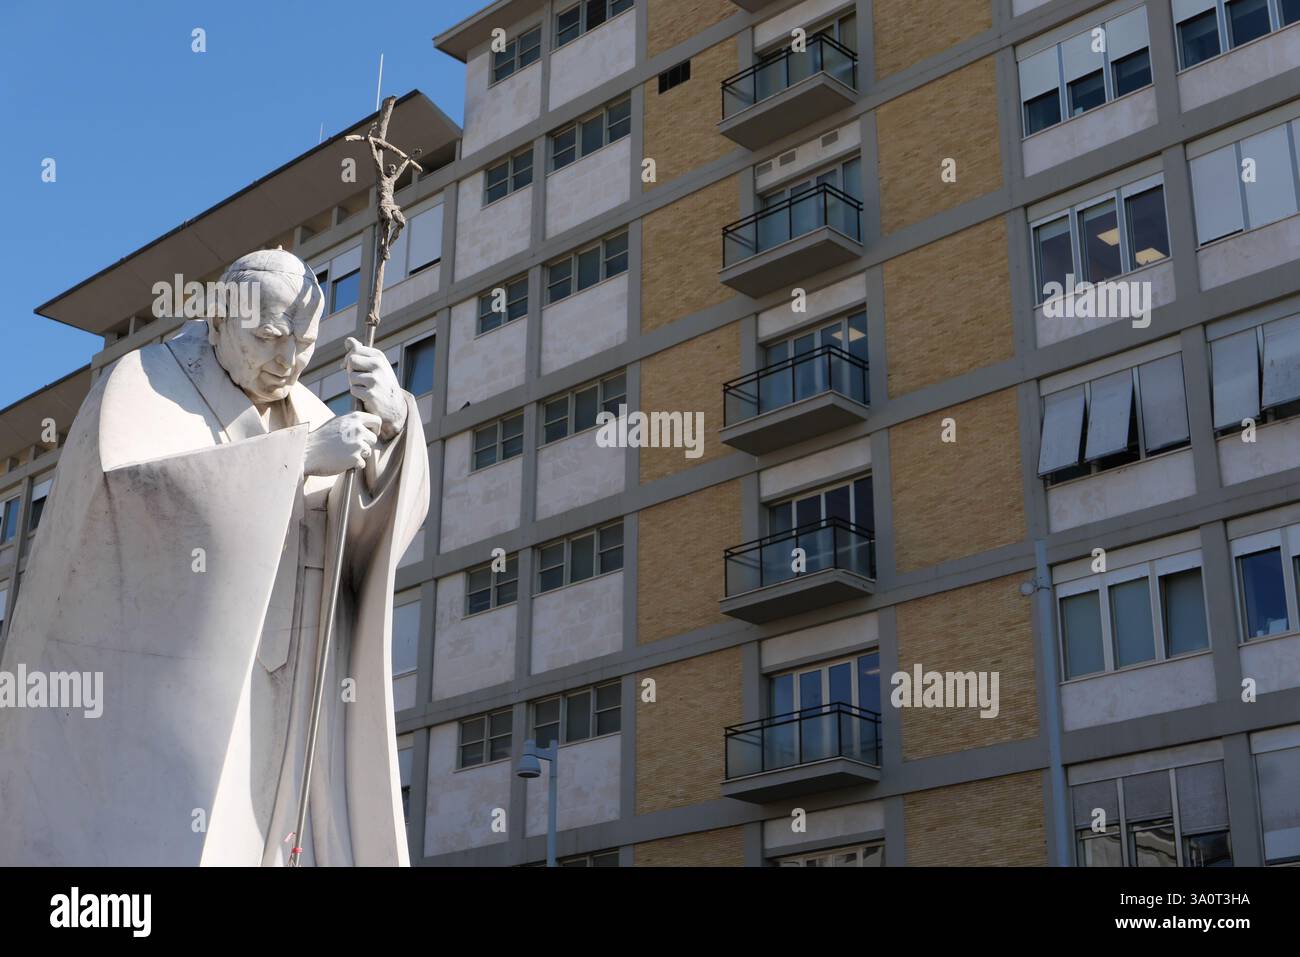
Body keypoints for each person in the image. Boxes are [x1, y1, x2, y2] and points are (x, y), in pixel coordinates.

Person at [0, 249, 428, 865]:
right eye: (270, 338)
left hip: (289, 689)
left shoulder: (310, 413)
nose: (288, 361)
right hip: (174, 697)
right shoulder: (145, 382)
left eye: (305, 343)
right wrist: (295, 460)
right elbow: (125, 499)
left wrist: (390, 433)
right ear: (221, 321)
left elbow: (356, 549)